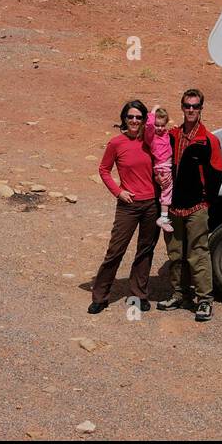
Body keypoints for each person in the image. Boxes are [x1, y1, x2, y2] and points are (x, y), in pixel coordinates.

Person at [157, 88, 222, 322]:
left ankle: (204, 299)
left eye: (195, 106)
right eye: (187, 106)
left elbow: (217, 173)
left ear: (201, 109)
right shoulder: (172, 136)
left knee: (198, 253)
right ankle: (179, 294)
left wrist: (207, 202)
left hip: (197, 206)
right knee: (175, 253)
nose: (191, 110)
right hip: (173, 206)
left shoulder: (209, 140)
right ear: (182, 107)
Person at [88, 99, 159, 314]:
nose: (134, 120)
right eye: (130, 117)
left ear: (144, 120)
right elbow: (103, 169)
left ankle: (139, 294)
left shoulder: (152, 141)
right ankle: (100, 296)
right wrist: (119, 192)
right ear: (124, 120)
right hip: (128, 205)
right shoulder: (116, 143)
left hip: (152, 204)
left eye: (139, 117)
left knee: (145, 251)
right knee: (115, 250)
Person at [144, 105, 174, 232]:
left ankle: (164, 216)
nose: (160, 128)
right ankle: (163, 217)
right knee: (167, 191)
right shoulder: (151, 137)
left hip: (167, 165)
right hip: (162, 167)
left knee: (167, 190)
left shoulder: (165, 134)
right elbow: (149, 125)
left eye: (162, 125)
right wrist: (153, 111)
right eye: (157, 125)